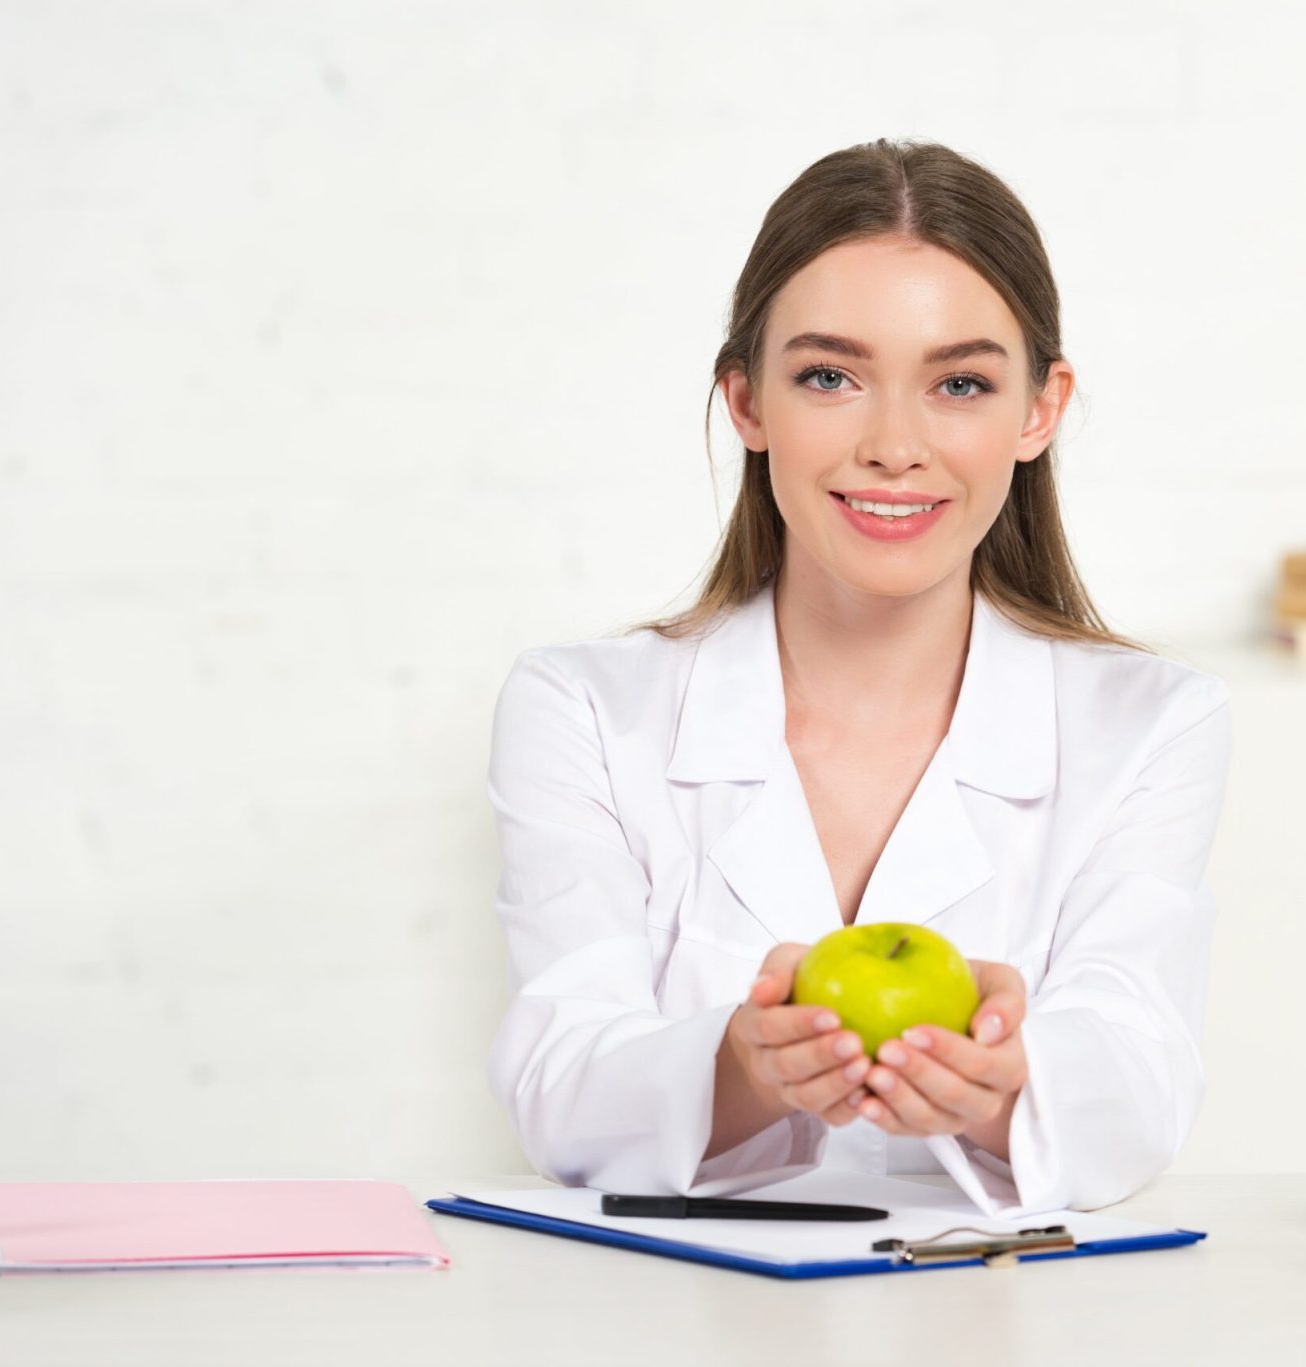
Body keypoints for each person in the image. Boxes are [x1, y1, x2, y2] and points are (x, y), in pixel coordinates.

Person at [485, 138, 1232, 1216]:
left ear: (1038, 409)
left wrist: (992, 1086)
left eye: (960, 383)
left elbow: (1139, 1079)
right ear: (745, 400)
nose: (893, 444)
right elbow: (559, 1084)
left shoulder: (1151, 722)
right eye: (828, 376)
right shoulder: (584, 711)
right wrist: (743, 1066)